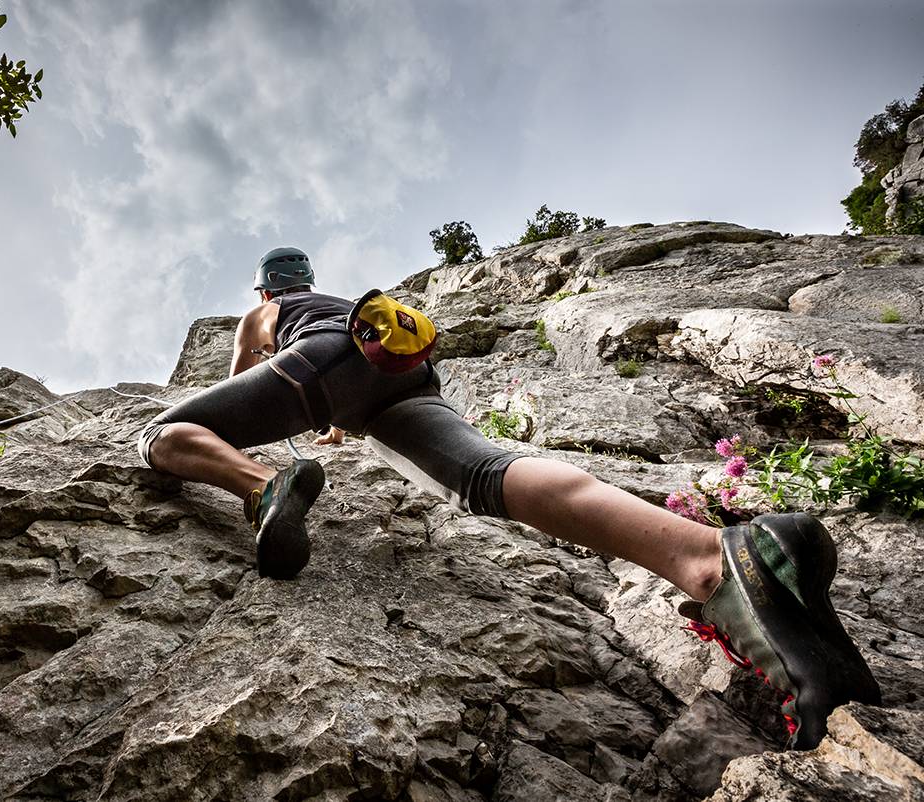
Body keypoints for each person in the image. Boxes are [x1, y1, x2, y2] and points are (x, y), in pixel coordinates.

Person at [138, 246, 881, 750]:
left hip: (320, 364)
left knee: (164, 436)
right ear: (308, 275)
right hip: (399, 373)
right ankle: (713, 556)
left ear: (267, 289)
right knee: (486, 474)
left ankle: (263, 488)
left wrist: (262, 405)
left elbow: (226, 384)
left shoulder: (265, 312)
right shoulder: (338, 298)